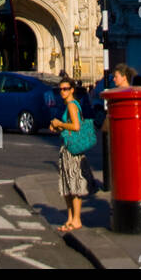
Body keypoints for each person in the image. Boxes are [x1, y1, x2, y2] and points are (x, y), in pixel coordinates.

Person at [49, 75, 96, 232]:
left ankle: (76, 219)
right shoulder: (70, 104)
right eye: (61, 89)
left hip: (72, 151)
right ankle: (70, 219)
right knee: (68, 186)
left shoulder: (71, 105)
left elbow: (76, 126)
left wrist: (60, 123)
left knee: (74, 186)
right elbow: (70, 126)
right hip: (68, 148)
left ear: (72, 90)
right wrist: (58, 127)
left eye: (66, 89)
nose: (62, 92)